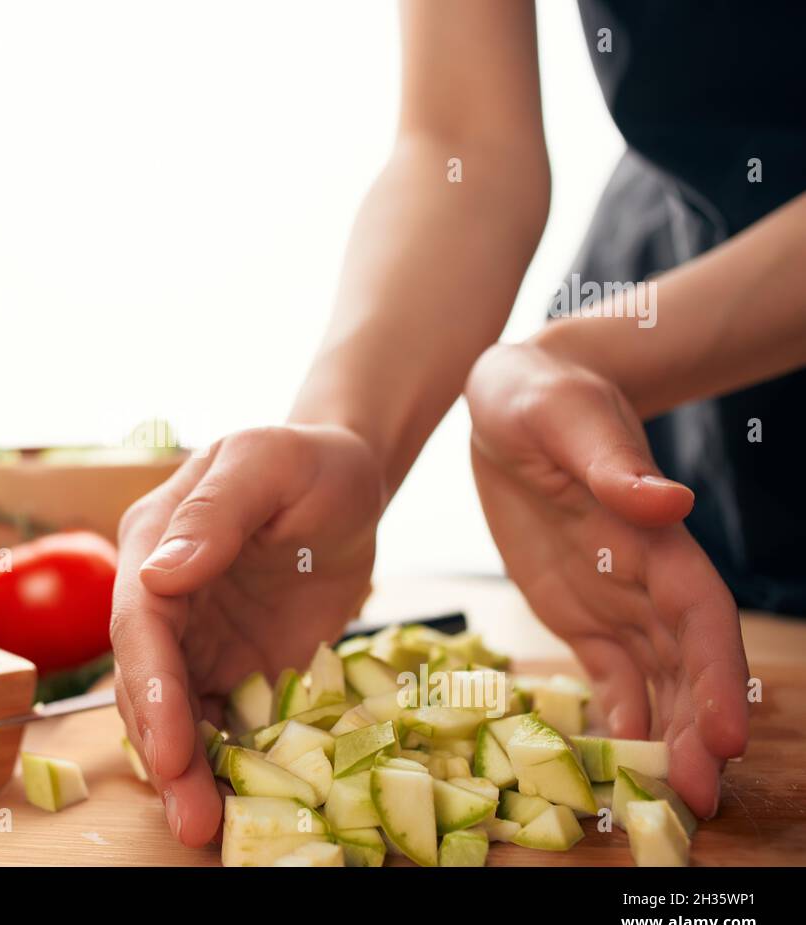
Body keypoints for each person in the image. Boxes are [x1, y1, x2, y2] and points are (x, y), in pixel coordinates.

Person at [109, 0, 806, 848]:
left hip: (653, 336)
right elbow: (464, 145)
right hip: (664, 322)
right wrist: (348, 434)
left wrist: (604, 355)